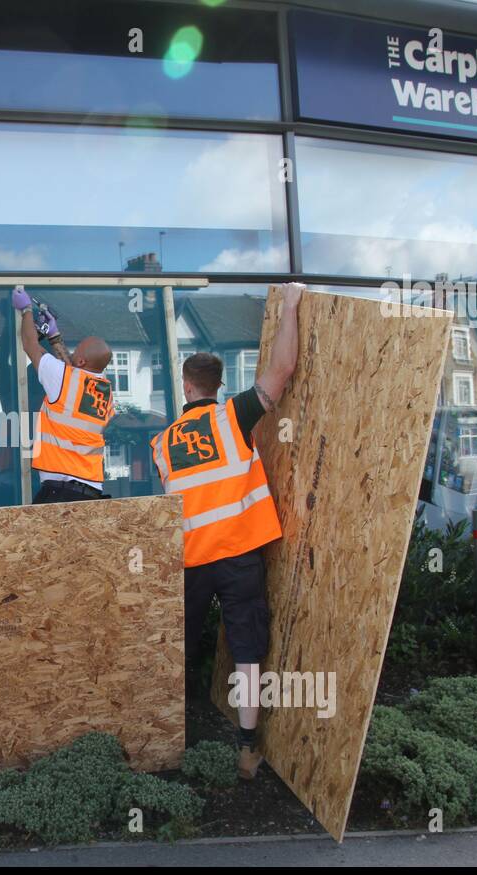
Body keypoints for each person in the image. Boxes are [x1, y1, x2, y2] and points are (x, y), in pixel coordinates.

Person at [149, 282, 304, 779]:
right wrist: (293, 306)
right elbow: (280, 371)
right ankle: (246, 748)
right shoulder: (234, 417)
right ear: (217, 385)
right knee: (245, 649)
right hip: (240, 555)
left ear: (187, 385)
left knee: (181, 644)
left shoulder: (160, 444)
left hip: (193, 559)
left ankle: (170, 740)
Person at [14, 286, 116, 504]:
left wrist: (25, 310)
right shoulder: (105, 394)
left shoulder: (64, 378)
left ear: (80, 362)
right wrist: (54, 336)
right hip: (91, 490)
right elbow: (72, 369)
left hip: (61, 493)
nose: (71, 352)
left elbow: (30, 345)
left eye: (75, 350)